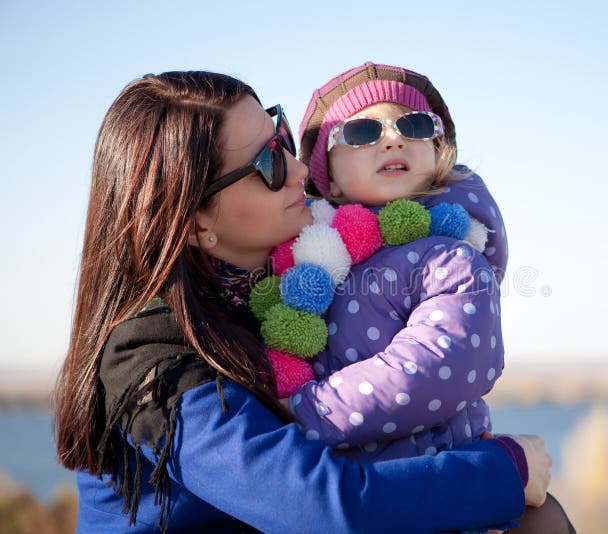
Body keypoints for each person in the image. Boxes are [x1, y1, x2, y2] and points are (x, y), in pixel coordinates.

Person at [53, 70, 553, 533]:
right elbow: (326, 508)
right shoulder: (155, 358)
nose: (298, 171)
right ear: (194, 222)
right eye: (268, 164)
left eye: (283, 141)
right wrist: (505, 471)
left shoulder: (285, 295)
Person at [286, 62, 574, 533]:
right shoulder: (311, 265)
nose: (393, 139)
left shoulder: (451, 259)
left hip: (442, 491)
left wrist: (303, 414)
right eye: (361, 131)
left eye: (414, 126)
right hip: (352, 495)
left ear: (437, 155)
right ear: (330, 181)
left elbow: (435, 367)